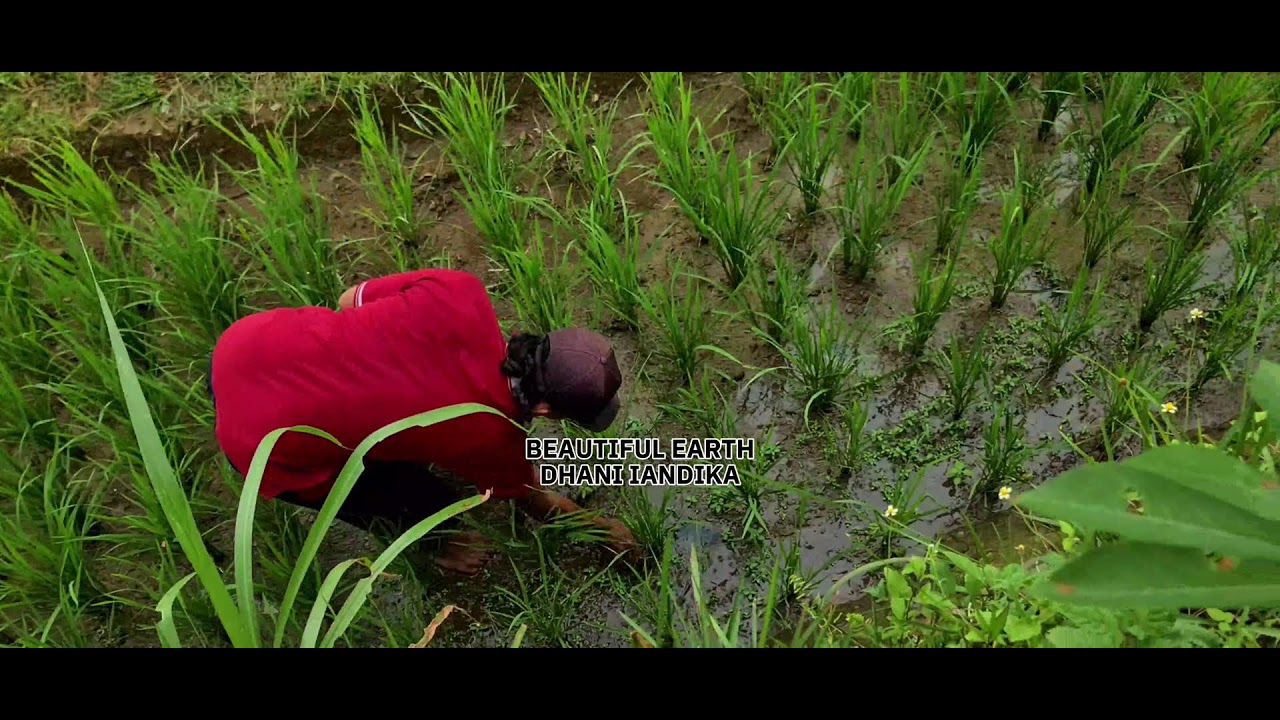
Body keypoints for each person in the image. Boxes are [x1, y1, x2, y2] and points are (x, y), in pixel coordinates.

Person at [207, 267, 637, 574]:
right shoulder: (489, 433)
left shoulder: (460, 292)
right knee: (418, 498)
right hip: (262, 446)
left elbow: (346, 299)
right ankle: (441, 545)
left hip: (245, 347)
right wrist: (602, 531)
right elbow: (533, 502)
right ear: (544, 411)